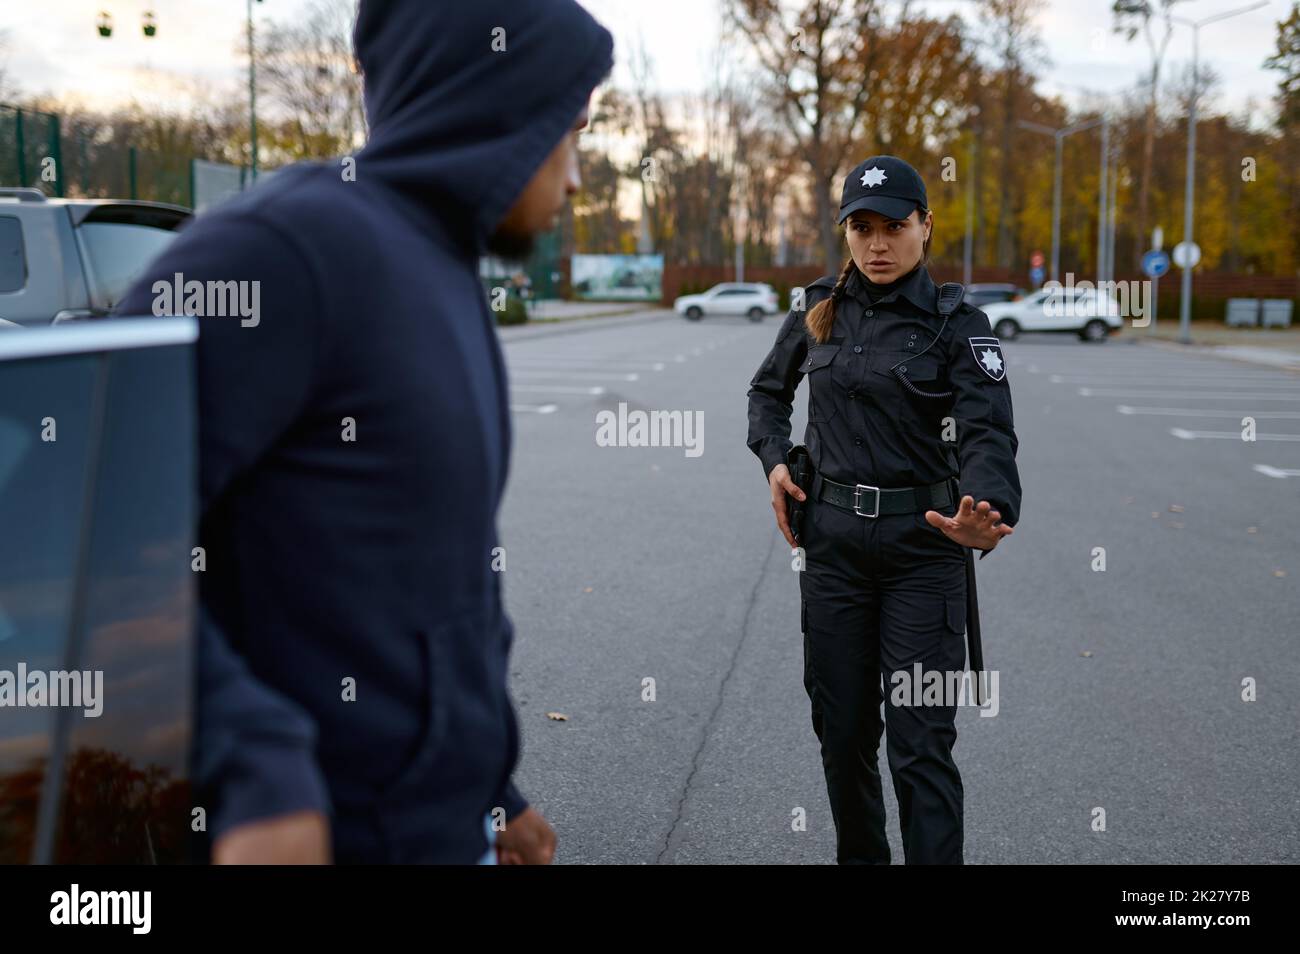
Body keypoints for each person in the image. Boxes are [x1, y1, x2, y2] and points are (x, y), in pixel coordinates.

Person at [113, 0, 614, 863]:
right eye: (570, 131)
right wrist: (255, 771)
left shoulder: (440, 269)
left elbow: (419, 588)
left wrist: (494, 793)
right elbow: (88, 534)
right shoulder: (280, 251)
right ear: (492, 107)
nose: (574, 179)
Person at [746, 154, 1022, 865]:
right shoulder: (817, 309)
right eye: (861, 228)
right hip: (833, 558)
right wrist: (775, 459)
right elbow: (765, 396)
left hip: (924, 556)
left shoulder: (958, 323)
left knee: (920, 745)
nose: (877, 243)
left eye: (894, 226)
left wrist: (984, 509)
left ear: (926, 226)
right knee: (842, 736)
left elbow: (989, 429)